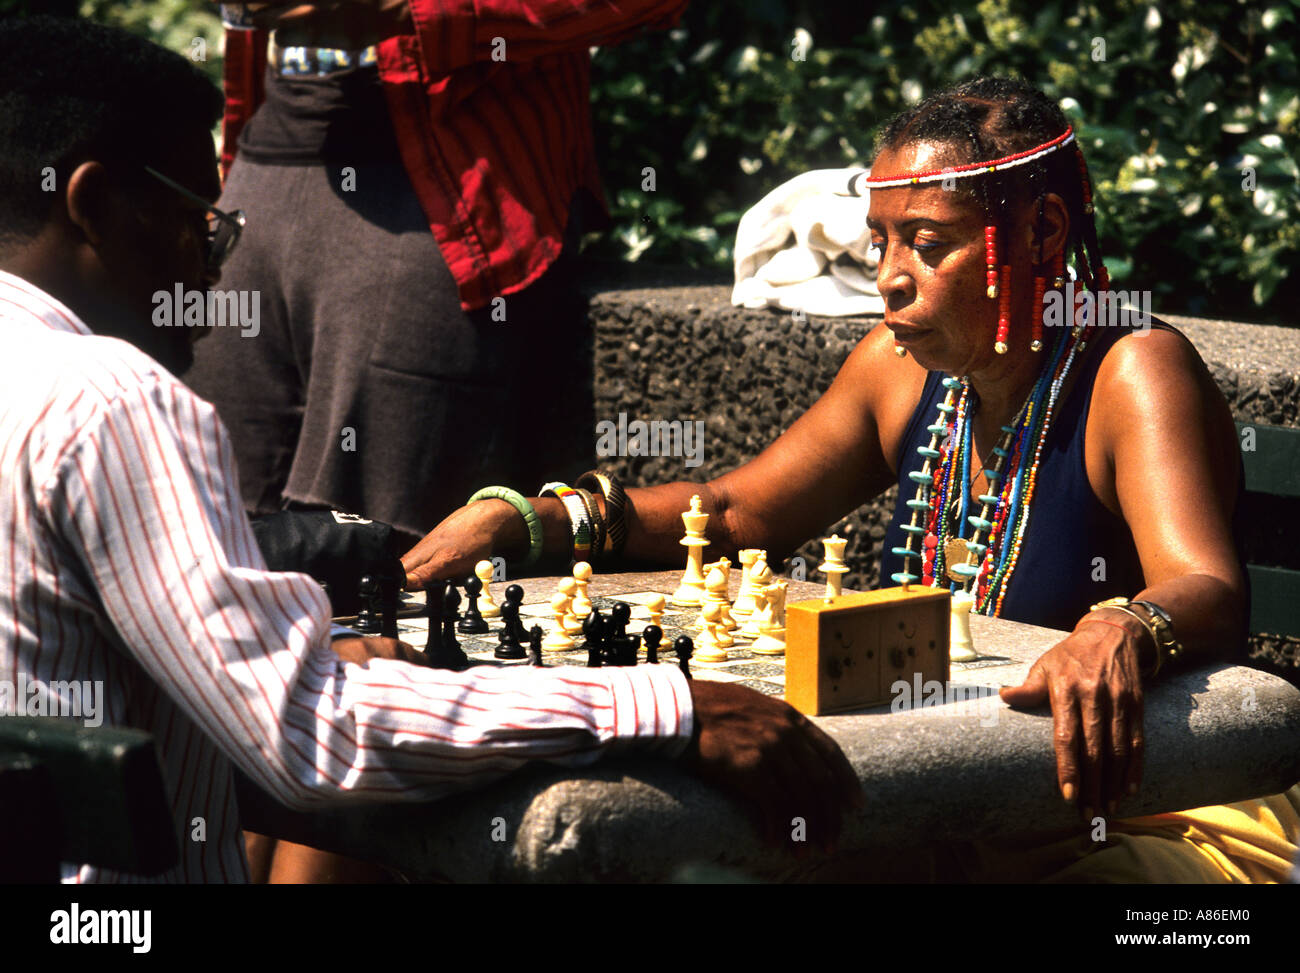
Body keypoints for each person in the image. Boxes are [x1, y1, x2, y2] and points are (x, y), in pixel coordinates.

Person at [0, 15, 859, 883]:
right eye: (199, 221)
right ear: (96, 205)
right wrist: (664, 704)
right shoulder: (114, 401)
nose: (215, 267)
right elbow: (312, 733)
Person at [403, 76, 1300, 882]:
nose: (890, 282)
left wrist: (1123, 625)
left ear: (1043, 232)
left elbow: (1208, 586)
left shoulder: (1131, 370)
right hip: (953, 795)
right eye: (879, 245)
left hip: (1152, 811)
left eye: (927, 244)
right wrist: (533, 521)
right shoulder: (898, 367)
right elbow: (740, 511)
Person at [184, 0, 687, 541]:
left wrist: (409, 9)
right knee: (205, 526)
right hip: (264, 170)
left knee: (375, 552)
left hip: (454, 185)